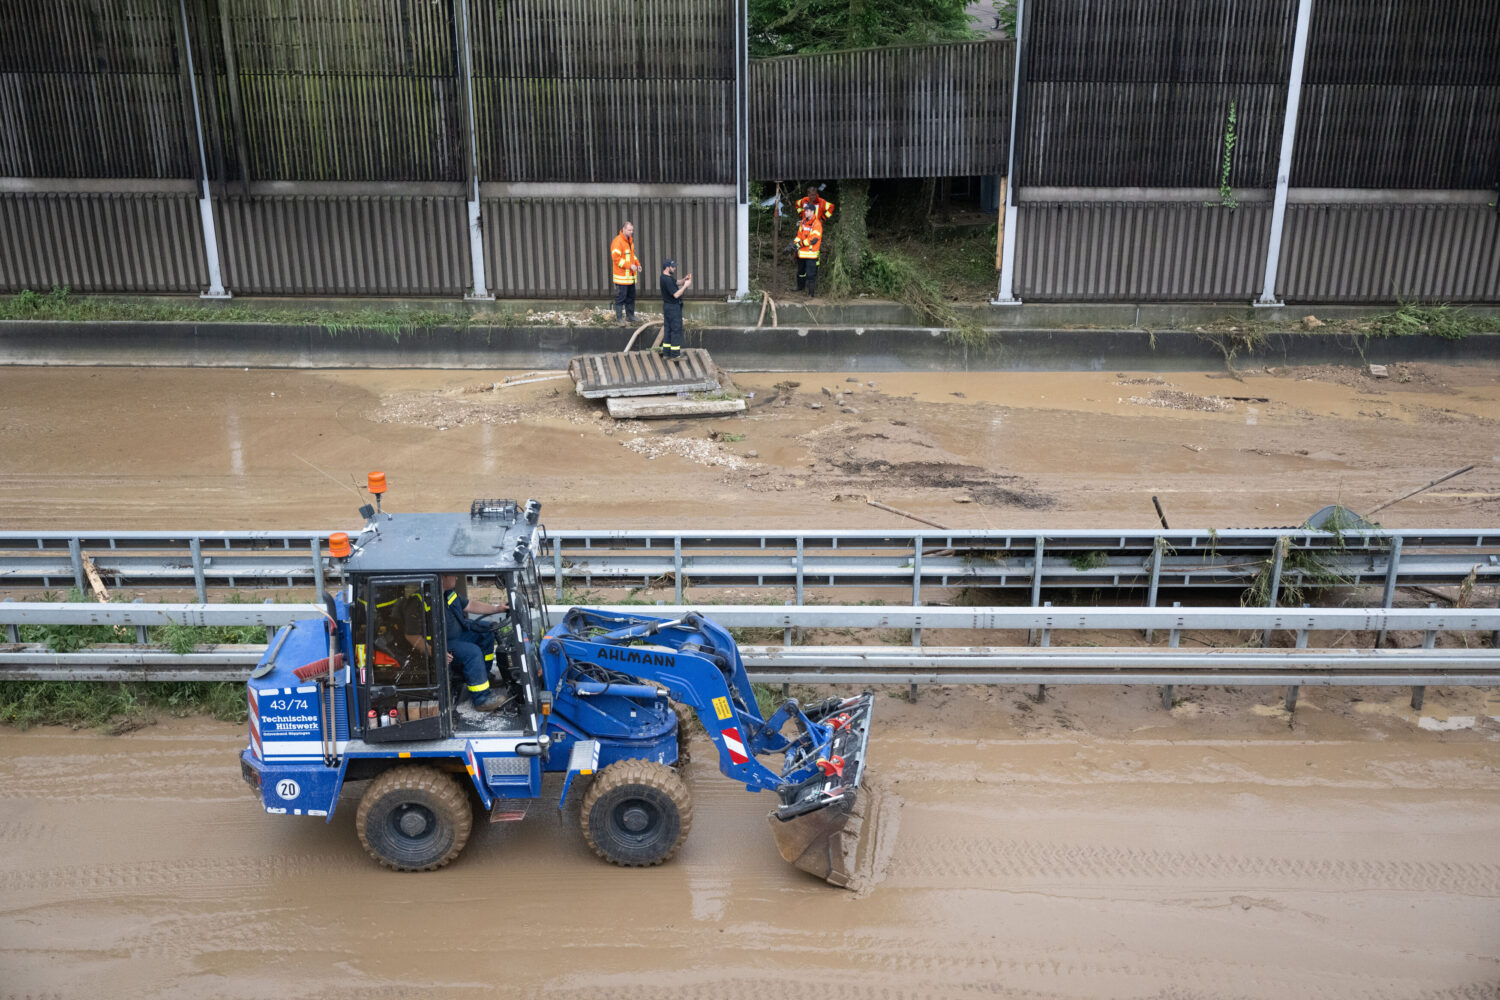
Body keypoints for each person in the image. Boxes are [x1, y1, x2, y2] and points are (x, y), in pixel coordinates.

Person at [440, 573, 510, 712]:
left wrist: (497, 608)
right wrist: (435, 651)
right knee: (472, 652)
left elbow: (469, 605)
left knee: (486, 631)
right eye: (453, 574)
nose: (457, 577)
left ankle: (483, 676)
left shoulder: (449, 594)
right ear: (443, 577)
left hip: (458, 635)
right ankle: (481, 699)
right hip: (443, 644)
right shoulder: (426, 600)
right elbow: (411, 636)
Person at [659, 258, 693, 361]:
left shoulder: (664, 277)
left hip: (667, 307)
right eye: (673, 267)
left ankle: (666, 353)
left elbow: (677, 282)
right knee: (676, 330)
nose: (674, 268)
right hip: (673, 308)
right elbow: (676, 294)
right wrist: (685, 286)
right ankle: (675, 355)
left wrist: (684, 279)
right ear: (667, 267)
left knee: (668, 329)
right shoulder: (667, 280)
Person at [609, 221, 642, 324]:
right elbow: (616, 259)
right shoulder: (617, 241)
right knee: (621, 298)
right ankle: (619, 319)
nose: (631, 232)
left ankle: (630, 316)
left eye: (632, 230)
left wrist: (637, 264)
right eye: (629, 230)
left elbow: (632, 256)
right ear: (623, 229)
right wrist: (630, 266)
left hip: (630, 277)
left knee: (631, 297)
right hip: (621, 277)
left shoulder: (629, 241)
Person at [794, 205, 823, 297]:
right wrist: (794, 244)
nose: (805, 212)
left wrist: (799, 244)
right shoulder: (803, 222)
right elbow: (799, 235)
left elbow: (813, 239)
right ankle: (800, 287)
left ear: (812, 212)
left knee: (811, 274)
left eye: (807, 211)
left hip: (811, 255)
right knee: (800, 272)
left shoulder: (817, 224)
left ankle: (811, 293)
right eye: (805, 210)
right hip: (801, 254)